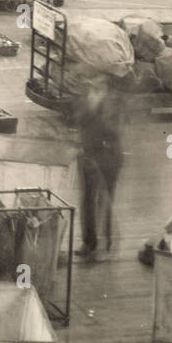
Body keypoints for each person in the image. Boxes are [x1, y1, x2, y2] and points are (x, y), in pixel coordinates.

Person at [71, 79, 126, 260]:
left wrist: (95, 111)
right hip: (87, 156)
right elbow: (78, 120)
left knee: (106, 200)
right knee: (87, 199)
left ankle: (106, 242)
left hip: (108, 156)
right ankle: (89, 242)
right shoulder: (84, 98)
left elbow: (114, 130)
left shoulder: (115, 101)